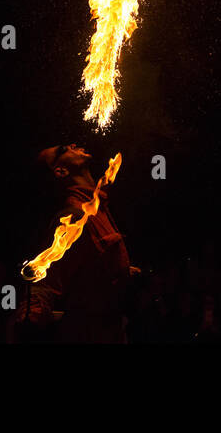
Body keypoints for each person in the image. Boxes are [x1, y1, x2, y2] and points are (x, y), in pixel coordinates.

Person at [21, 144, 135, 342]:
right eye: (63, 149)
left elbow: (94, 267)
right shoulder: (73, 217)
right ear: (61, 170)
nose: (72, 145)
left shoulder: (97, 209)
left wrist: (127, 272)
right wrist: (28, 319)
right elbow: (45, 284)